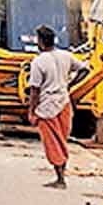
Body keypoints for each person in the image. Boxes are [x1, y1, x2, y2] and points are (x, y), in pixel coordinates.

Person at [27, 25, 89, 189]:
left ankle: (60, 179)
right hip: (64, 103)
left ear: (40, 42)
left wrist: (32, 111)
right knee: (62, 139)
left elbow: (34, 90)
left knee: (53, 143)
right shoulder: (66, 56)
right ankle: (61, 175)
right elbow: (85, 69)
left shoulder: (38, 62)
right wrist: (70, 84)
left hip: (47, 107)